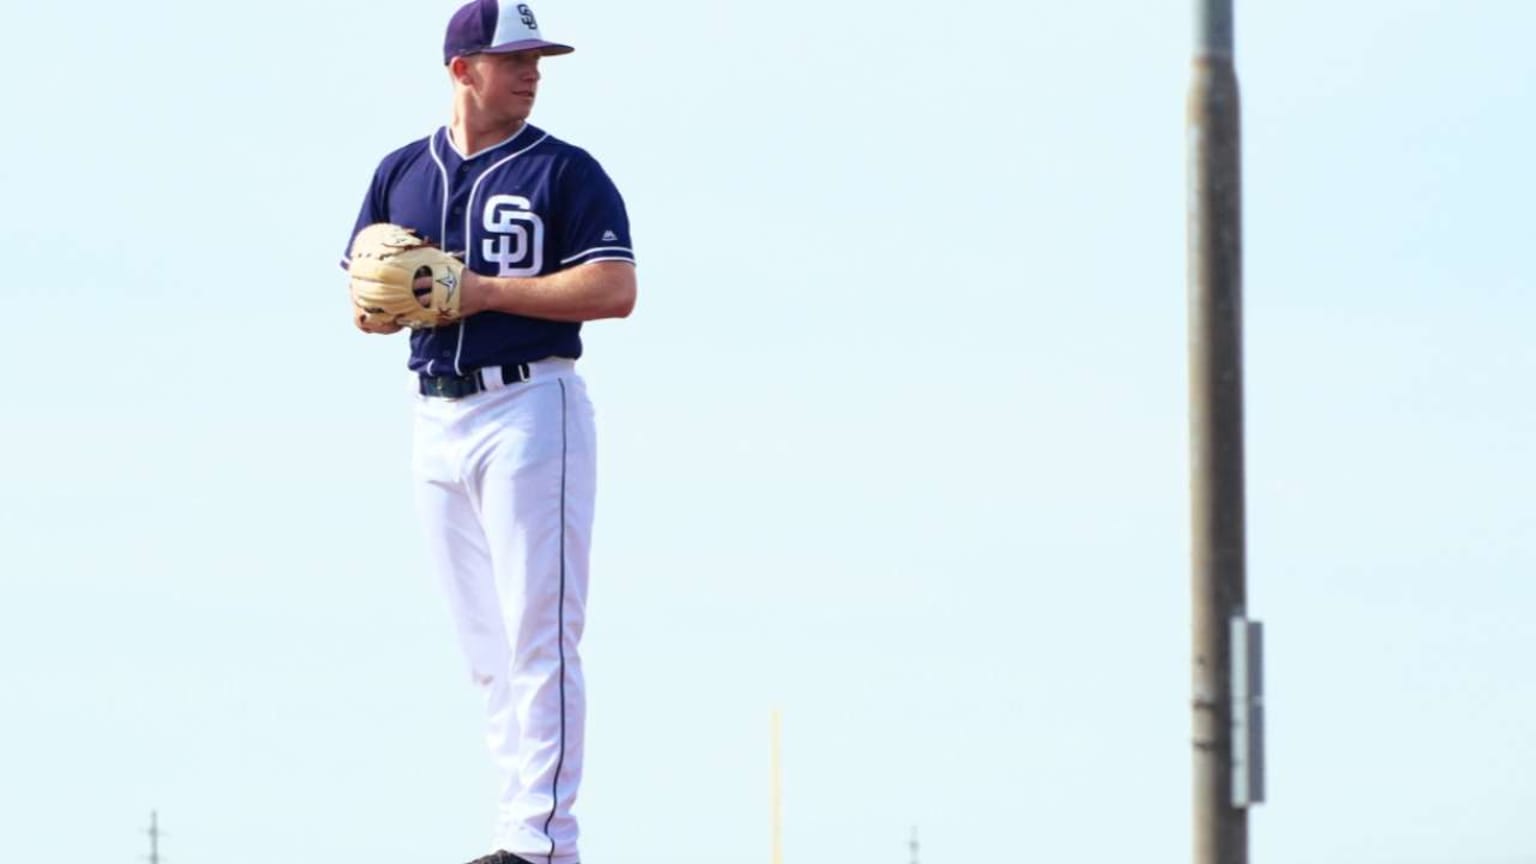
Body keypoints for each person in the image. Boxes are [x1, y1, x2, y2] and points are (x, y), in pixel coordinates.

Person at [341, 2, 636, 862]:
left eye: (537, 58)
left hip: (530, 408)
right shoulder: (403, 171)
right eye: (514, 59)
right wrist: (381, 305)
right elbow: (363, 295)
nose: (533, 71)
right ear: (463, 68)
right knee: (484, 645)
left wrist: (483, 292)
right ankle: (517, 828)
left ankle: (544, 842)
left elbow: (613, 290)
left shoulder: (564, 172)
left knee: (539, 630)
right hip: (433, 414)